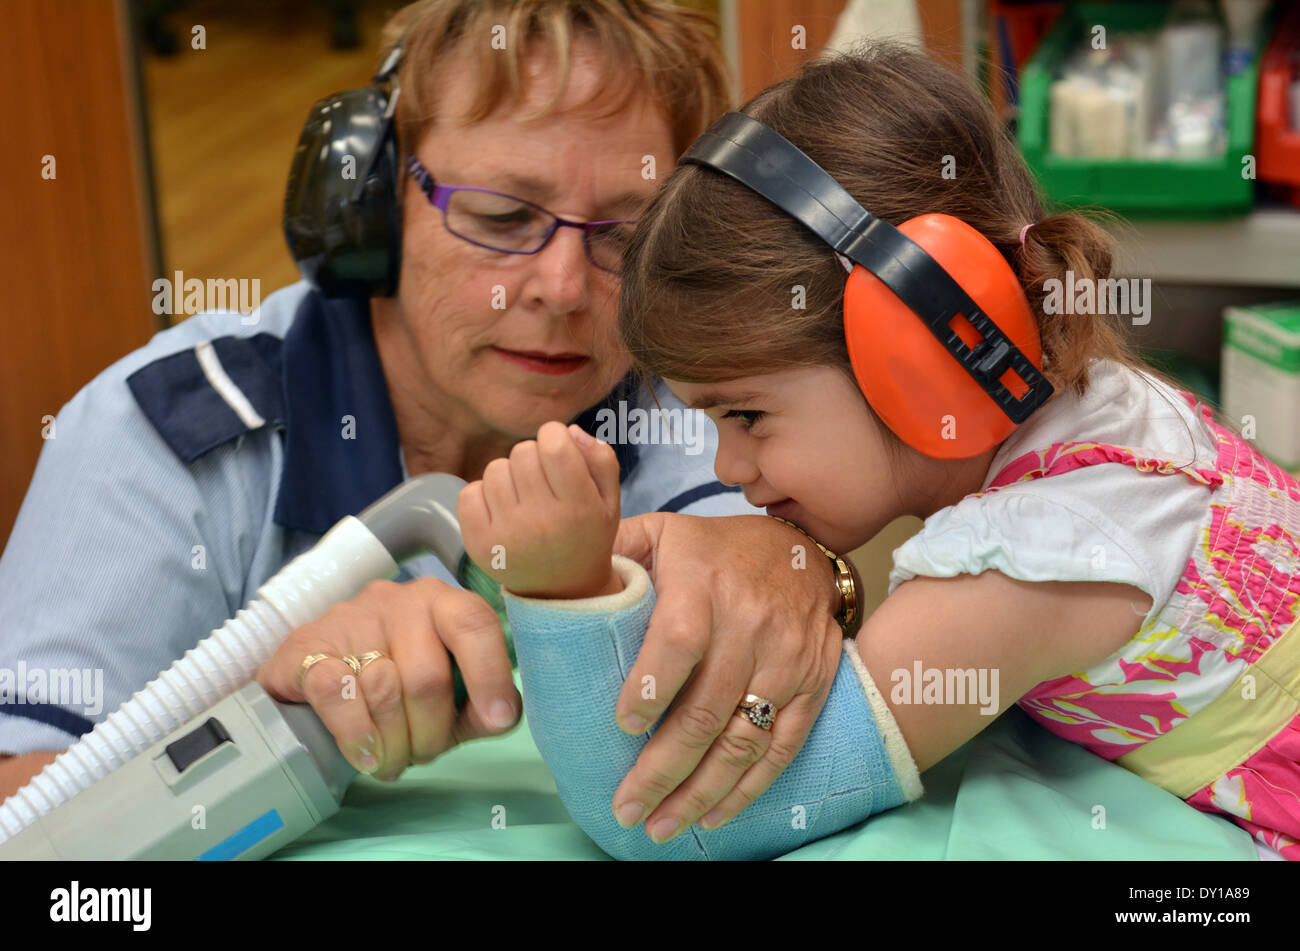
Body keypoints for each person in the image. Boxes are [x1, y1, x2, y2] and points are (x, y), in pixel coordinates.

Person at [0, 0, 856, 848]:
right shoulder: (161, 435)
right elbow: (24, 819)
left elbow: (788, 700)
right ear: (369, 203)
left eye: (625, 234)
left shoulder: (694, 408)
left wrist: (809, 570)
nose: (561, 289)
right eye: (501, 217)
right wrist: (278, 722)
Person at [458, 43, 1300, 860]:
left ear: (921, 352)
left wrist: (556, 592)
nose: (725, 467)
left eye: (746, 413)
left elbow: (678, 825)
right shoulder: (1107, 408)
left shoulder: (1031, 558)